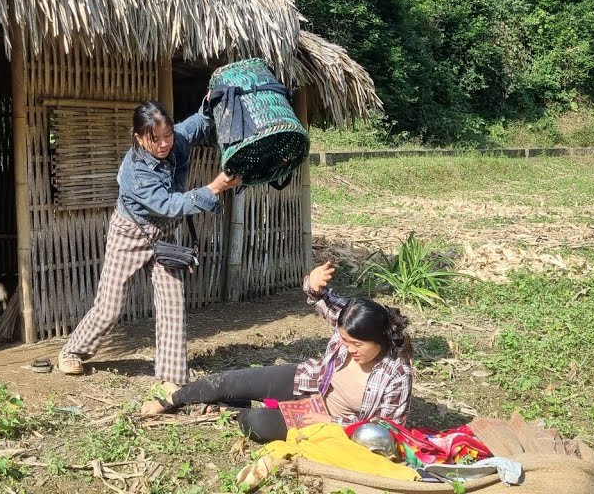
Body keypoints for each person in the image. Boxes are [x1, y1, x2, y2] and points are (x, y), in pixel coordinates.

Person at [57, 100, 240, 386]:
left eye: (168, 135)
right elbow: (167, 205)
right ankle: (73, 350)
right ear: (140, 137)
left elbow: (201, 121)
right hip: (129, 235)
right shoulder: (135, 170)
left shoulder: (176, 138)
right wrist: (214, 187)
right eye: (156, 139)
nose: (165, 143)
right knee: (110, 306)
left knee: (172, 303)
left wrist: (210, 102)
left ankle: (172, 376)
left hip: (164, 235)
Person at [139, 261, 414, 443]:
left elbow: (383, 430)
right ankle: (171, 399)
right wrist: (314, 281)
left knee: (256, 423)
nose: (349, 348)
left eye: (357, 345)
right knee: (229, 380)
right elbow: (317, 295)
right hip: (310, 381)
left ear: (380, 340)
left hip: (330, 423)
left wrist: (331, 422)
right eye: (344, 340)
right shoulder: (350, 320)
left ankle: (225, 409)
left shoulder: (396, 374)